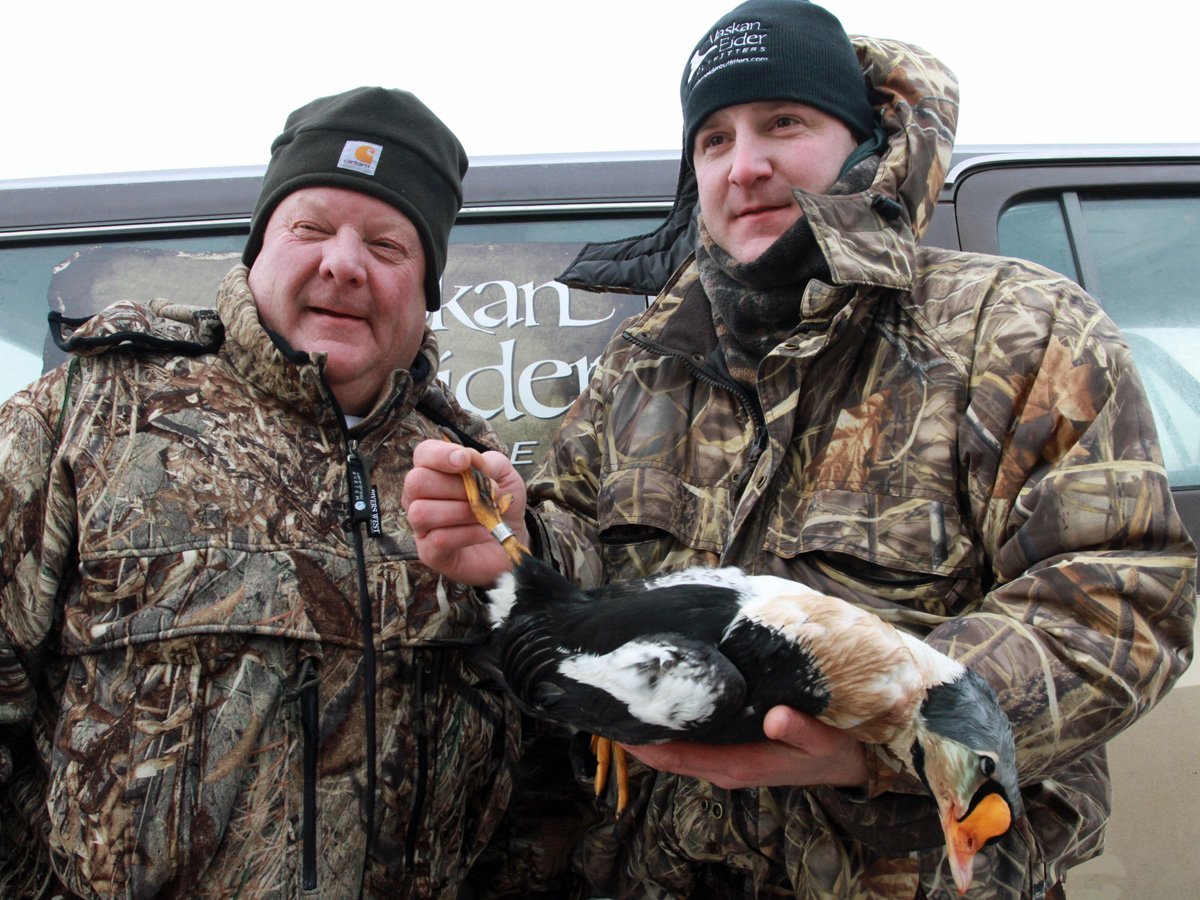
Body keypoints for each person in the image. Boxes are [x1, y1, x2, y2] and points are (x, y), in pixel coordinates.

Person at [401, 1, 1198, 897]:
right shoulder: (644, 362)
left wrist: (879, 740)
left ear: (863, 141)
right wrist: (521, 544)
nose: (745, 166)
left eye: (784, 122)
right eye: (714, 139)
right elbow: (595, 578)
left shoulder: (1018, 330)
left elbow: (1118, 599)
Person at [0, 87, 522, 898]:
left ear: (426, 291)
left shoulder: (471, 480)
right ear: (256, 252)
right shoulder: (81, 418)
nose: (343, 263)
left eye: (387, 245)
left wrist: (526, 553)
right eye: (310, 228)